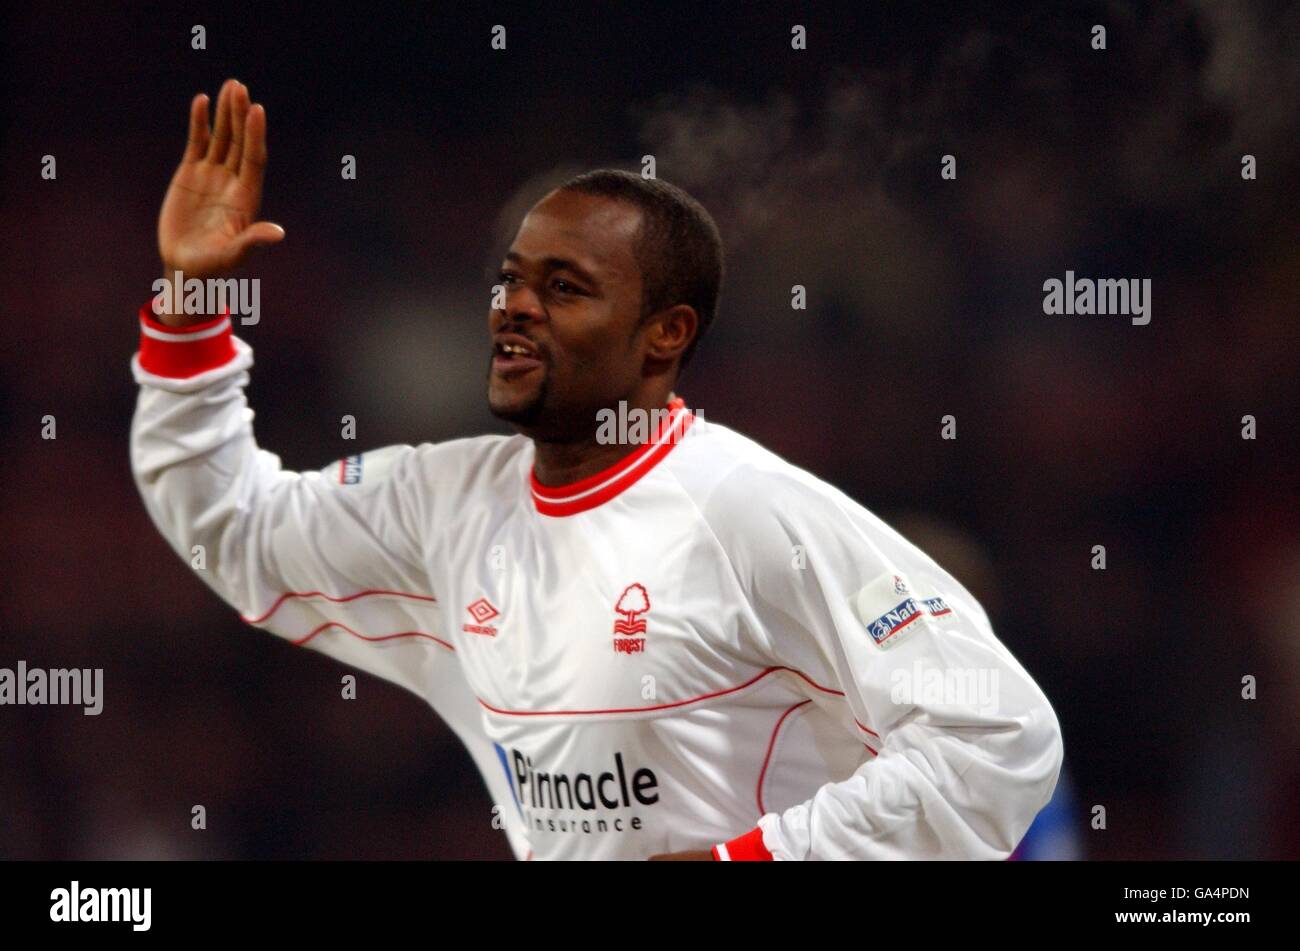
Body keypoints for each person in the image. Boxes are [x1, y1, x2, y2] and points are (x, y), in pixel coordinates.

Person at [131, 78, 1064, 860]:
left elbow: (998, 735)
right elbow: (232, 523)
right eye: (509, 279)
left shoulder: (751, 511)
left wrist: (756, 858)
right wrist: (190, 301)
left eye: (563, 287)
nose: (514, 307)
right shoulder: (442, 502)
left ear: (667, 333)